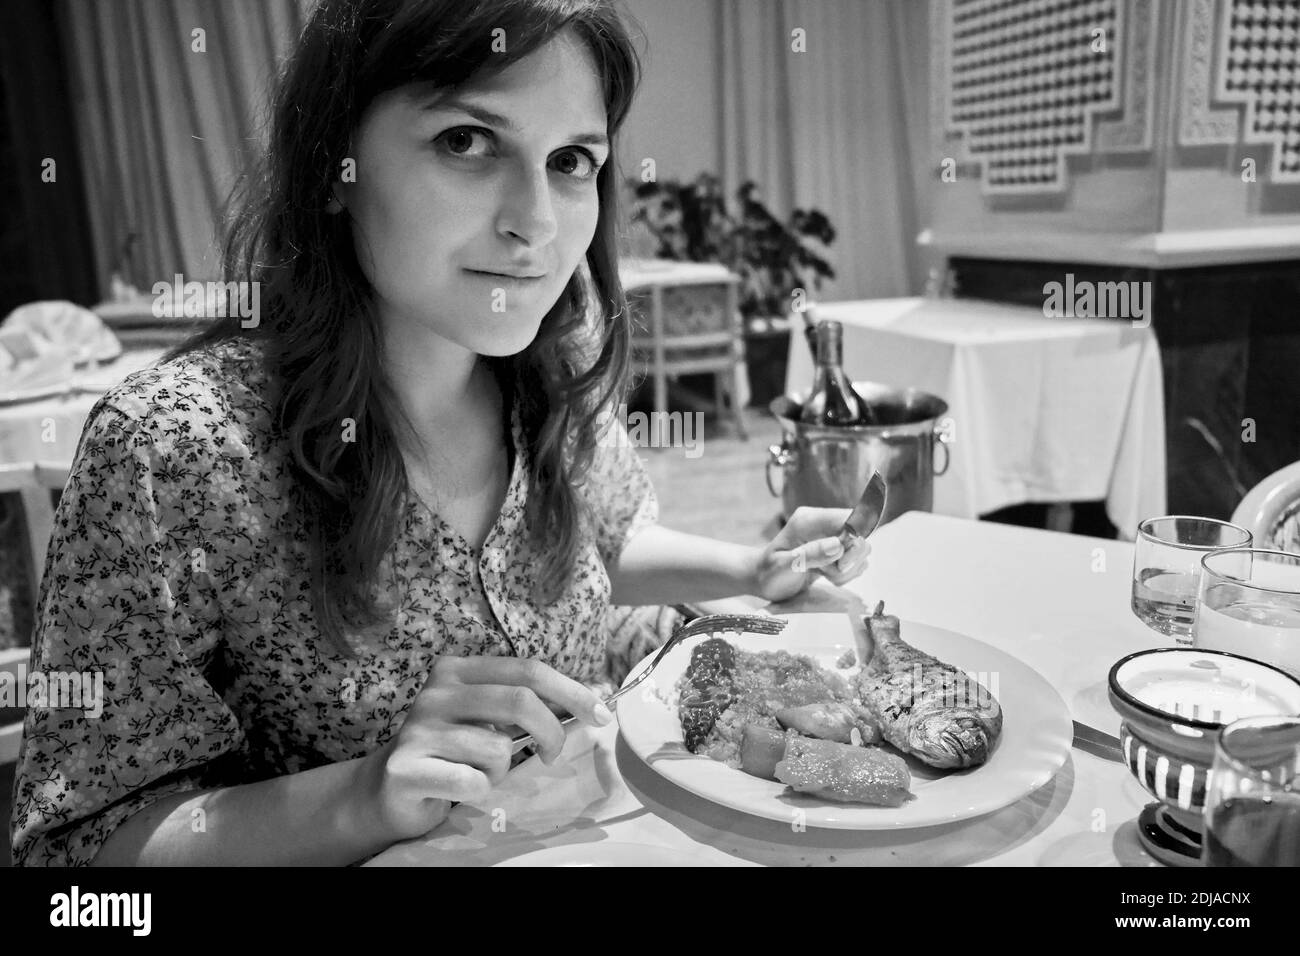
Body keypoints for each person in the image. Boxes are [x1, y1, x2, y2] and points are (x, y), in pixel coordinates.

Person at [10, 0, 869, 867]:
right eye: (467, 141)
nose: (535, 221)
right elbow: (76, 863)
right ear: (334, 165)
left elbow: (600, 543)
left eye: (571, 161)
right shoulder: (177, 448)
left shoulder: (554, 363)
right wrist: (366, 794)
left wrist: (747, 570)